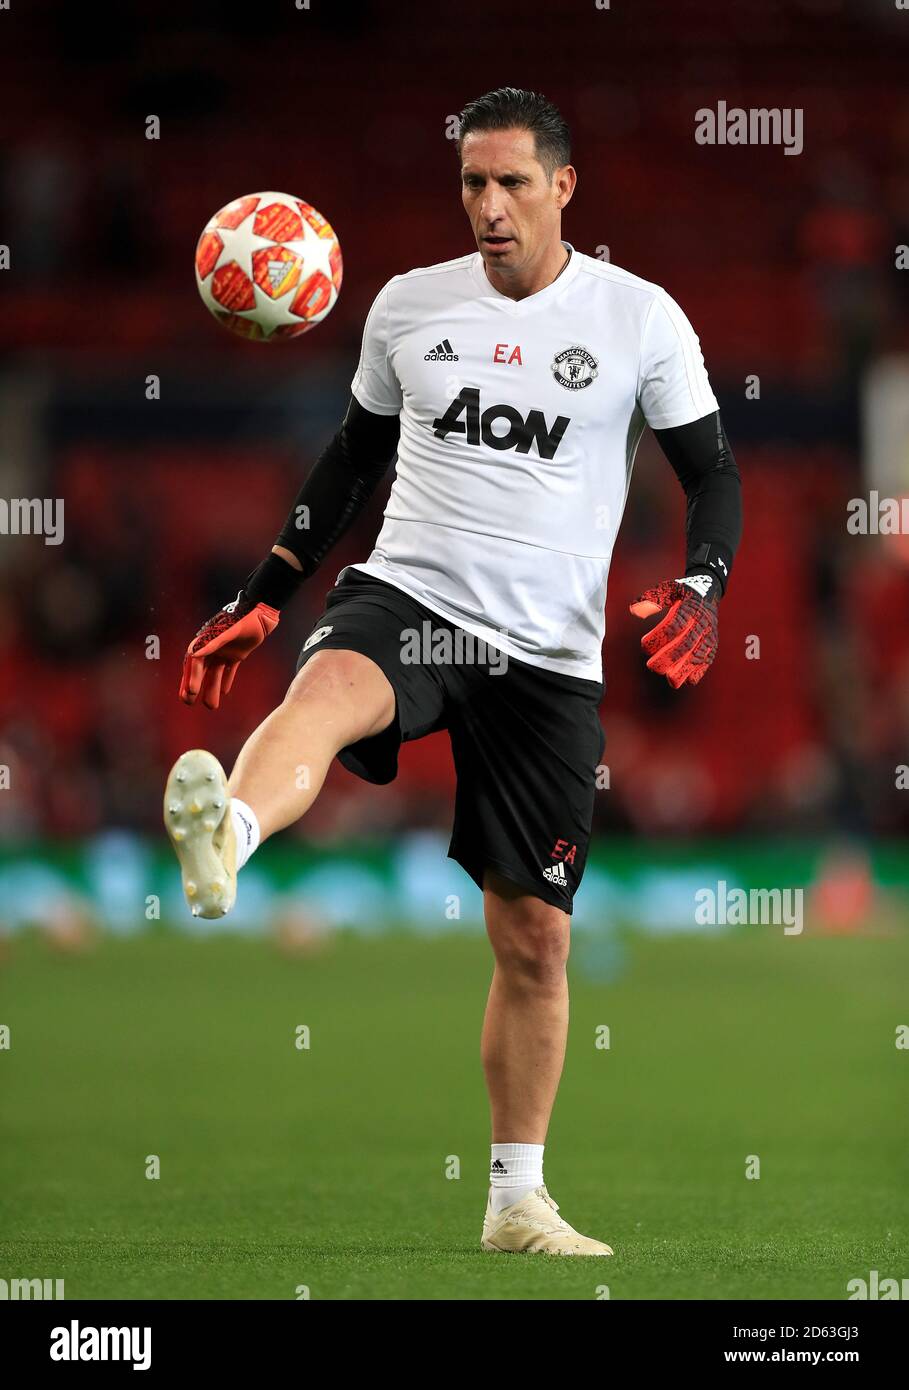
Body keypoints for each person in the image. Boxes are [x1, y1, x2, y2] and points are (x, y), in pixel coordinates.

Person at [165, 87, 742, 1256]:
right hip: (412, 594)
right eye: (471, 183)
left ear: (563, 186)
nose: (487, 205)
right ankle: (224, 832)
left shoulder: (638, 318)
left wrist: (704, 583)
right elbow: (352, 458)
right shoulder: (407, 306)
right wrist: (264, 593)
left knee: (534, 937)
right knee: (320, 697)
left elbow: (713, 471)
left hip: (548, 654)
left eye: (511, 182)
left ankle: (515, 1200)